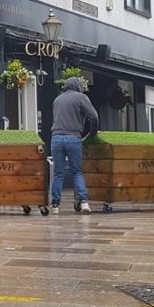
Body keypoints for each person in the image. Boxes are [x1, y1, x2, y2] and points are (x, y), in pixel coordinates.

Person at [50, 77, 99, 215]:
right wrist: (92, 133)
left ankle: (55, 205)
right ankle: (83, 202)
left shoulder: (57, 99)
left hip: (56, 138)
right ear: (79, 87)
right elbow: (94, 116)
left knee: (58, 173)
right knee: (76, 171)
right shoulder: (81, 98)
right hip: (73, 137)